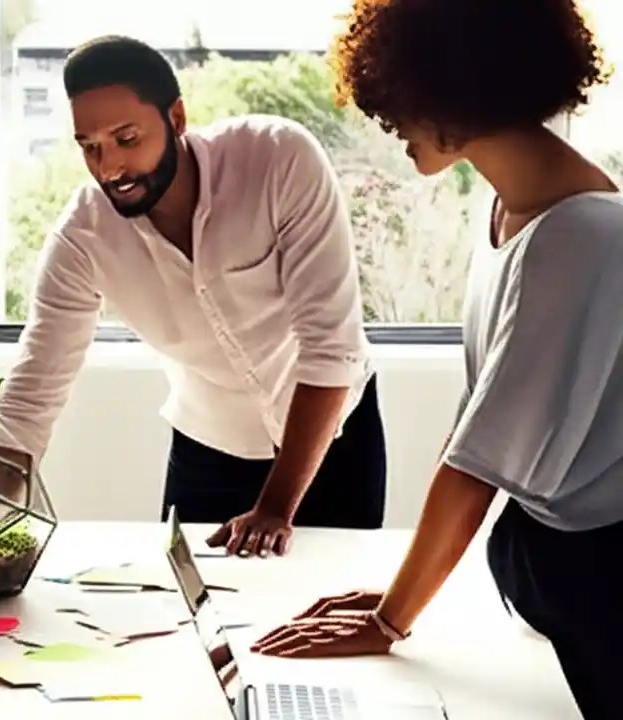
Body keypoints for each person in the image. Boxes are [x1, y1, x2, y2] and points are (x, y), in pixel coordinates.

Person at [250, 2, 622, 718]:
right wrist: (395, 600)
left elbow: (476, 463)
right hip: (541, 550)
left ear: (455, 90)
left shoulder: (582, 236)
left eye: (398, 111)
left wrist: (390, 619)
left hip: (600, 576)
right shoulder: (510, 213)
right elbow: (480, 425)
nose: (390, 127)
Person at [0, 35, 387, 556]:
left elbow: (332, 349)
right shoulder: (83, 237)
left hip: (332, 437)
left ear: (177, 117)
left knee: (331, 613)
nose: (110, 168)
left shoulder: (277, 159)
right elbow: (29, 400)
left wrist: (276, 509)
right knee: (187, 612)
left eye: (127, 138)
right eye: (90, 147)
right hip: (209, 447)